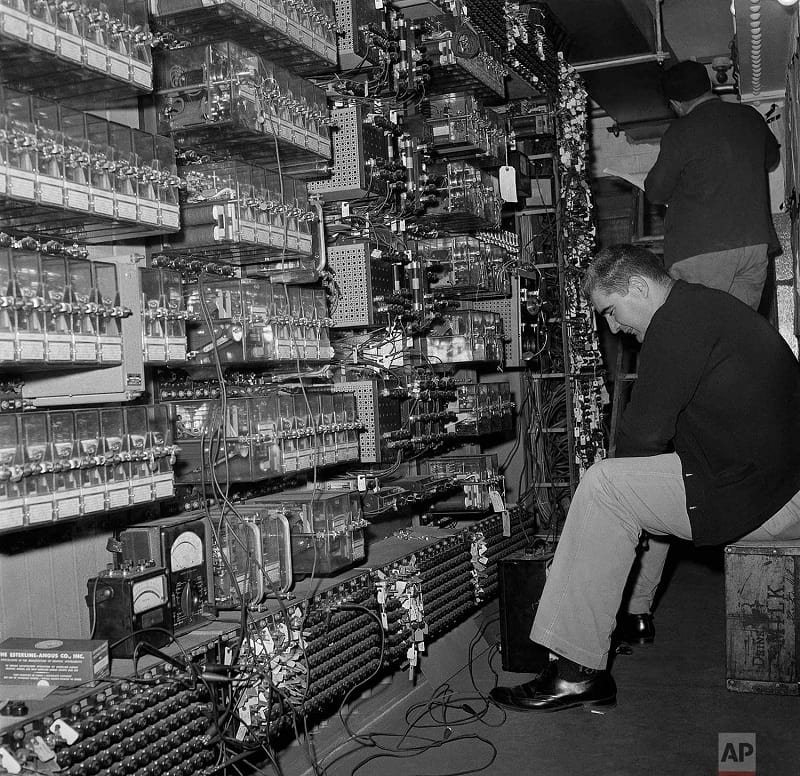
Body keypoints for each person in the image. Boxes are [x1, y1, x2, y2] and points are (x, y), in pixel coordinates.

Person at [490, 244, 800, 712]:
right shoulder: (705, 307)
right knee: (647, 480)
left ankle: (575, 671)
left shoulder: (674, 324)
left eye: (612, 313)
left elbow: (639, 437)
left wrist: (586, 546)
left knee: (605, 488)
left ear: (638, 286)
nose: (614, 330)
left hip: (769, 497)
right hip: (778, 482)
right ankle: (634, 613)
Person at [644, 60, 780, 310]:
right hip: (754, 245)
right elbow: (771, 159)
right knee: (738, 331)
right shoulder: (750, 117)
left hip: (700, 249)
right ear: (709, 86)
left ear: (675, 104)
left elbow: (655, 191)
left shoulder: (681, 131)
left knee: (702, 330)